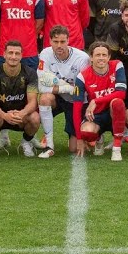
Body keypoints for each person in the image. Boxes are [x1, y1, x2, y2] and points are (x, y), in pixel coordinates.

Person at [69, 41, 128, 161]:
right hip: (96, 115)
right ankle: (98, 139)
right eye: (97, 55)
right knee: (86, 132)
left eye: (104, 55)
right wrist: (80, 138)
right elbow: (76, 108)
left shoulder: (117, 65)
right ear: (91, 58)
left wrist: (96, 100)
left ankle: (116, 148)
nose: (101, 58)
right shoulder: (82, 76)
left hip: (114, 113)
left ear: (109, 57)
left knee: (117, 102)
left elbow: (121, 93)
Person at [37, 25, 91, 158]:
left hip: (77, 101)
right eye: (55, 42)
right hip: (58, 97)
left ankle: (88, 136)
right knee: (44, 99)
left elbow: (83, 90)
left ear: (68, 41)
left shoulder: (82, 58)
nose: (59, 45)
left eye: (62, 41)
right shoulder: (45, 54)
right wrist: (66, 88)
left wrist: (61, 86)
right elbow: (42, 86)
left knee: (74, 148)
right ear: (50, 41)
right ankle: (49, 145)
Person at [0, 40, 42, 157]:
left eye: (17, 53)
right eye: (10, 53)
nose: (13, 57)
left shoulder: (30, 73)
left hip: (20, 115)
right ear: (4, 54)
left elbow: (33, 102)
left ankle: (26, 142)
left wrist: (22, 113)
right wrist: (4, 115)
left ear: (21, 55)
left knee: (35, 118)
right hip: (0, 116)